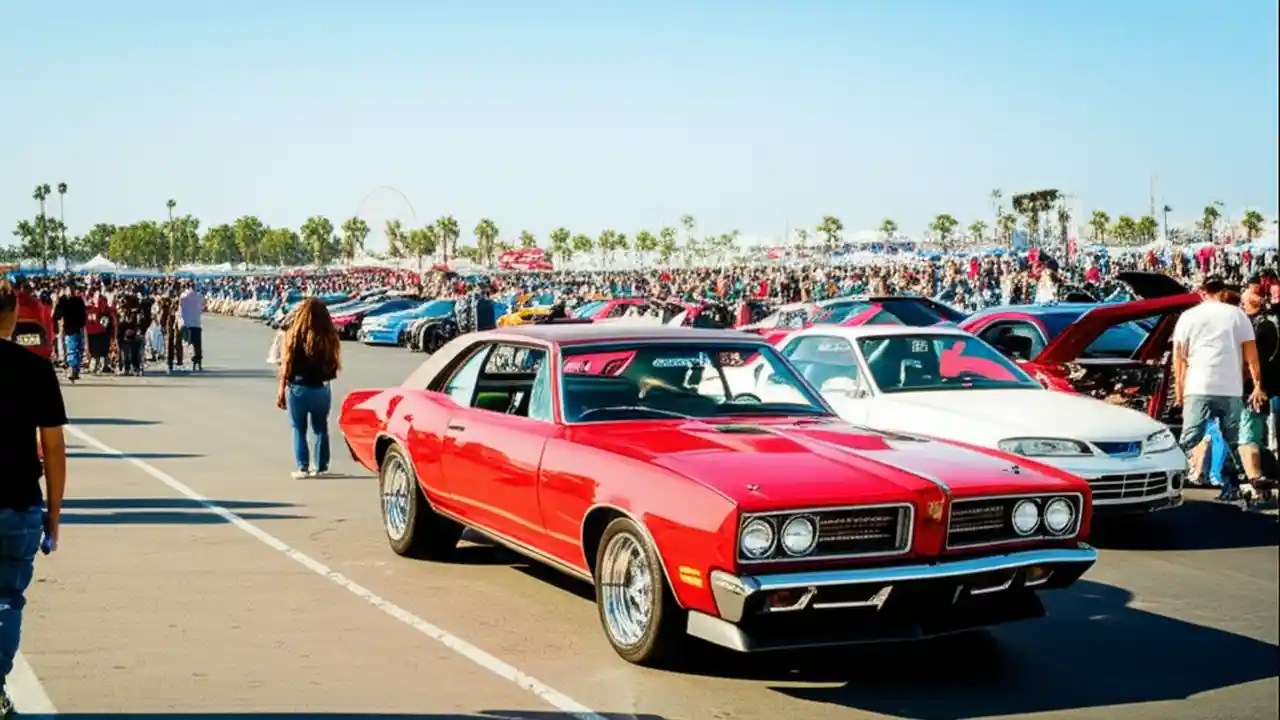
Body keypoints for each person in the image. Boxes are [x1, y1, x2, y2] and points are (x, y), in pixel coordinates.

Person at [0, 278, 67, 716]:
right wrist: (54, 517)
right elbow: (55, 447)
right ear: (13, 317)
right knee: (7, 599)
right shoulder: (34, 369)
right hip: (18, 501)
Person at [1172, 276, 1267, 501]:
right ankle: (1232, 486)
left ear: (1202, 292)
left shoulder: (1188, 316)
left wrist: (1178, 390)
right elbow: (1252, 357)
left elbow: (1179, 358)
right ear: (1223, 291)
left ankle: (1172, 478)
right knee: (1230, 441)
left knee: (1189, 437)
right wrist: (1257, 385)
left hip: (1198, 386)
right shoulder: (1238, 315)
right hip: (1230, 388)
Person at [276, 298, 341, 478]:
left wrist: (281, 390)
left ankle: (302, 467)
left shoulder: (294, 335)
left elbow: (285, 364)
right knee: (321, 428)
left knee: (298, 428)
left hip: (298, 386)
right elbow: (334, 364)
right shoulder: (328, 337)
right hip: (321, 387)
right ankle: (320, 467)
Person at [1240, 281, 1279, 492]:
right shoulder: (1264, 322)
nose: (1242, 305)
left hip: (1258, 387)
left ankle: (1257, 479)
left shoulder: (1261, 325)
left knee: (1250, 433)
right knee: (1257, 432)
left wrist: (1257, 385)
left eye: (1244, 301)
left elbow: (1257, 360)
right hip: (1263, 386)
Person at [52, 283, 87, 382]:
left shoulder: (77, 300)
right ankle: (72, 369)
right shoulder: (64, 301)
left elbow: (83, 315)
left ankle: (75, 369)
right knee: (72, 349)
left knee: (76, 349)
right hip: (69, 328)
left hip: (75, 328)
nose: (71, 291)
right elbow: (57, 315)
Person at [178, 281, 204, 371]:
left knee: (185, 343)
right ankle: (198, 362)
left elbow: (180, 309)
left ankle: (184, 360)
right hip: (197, 323)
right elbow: (201, 307)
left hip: (187, 324)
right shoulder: (199, 296)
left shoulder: (183, 296)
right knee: (198, 345)